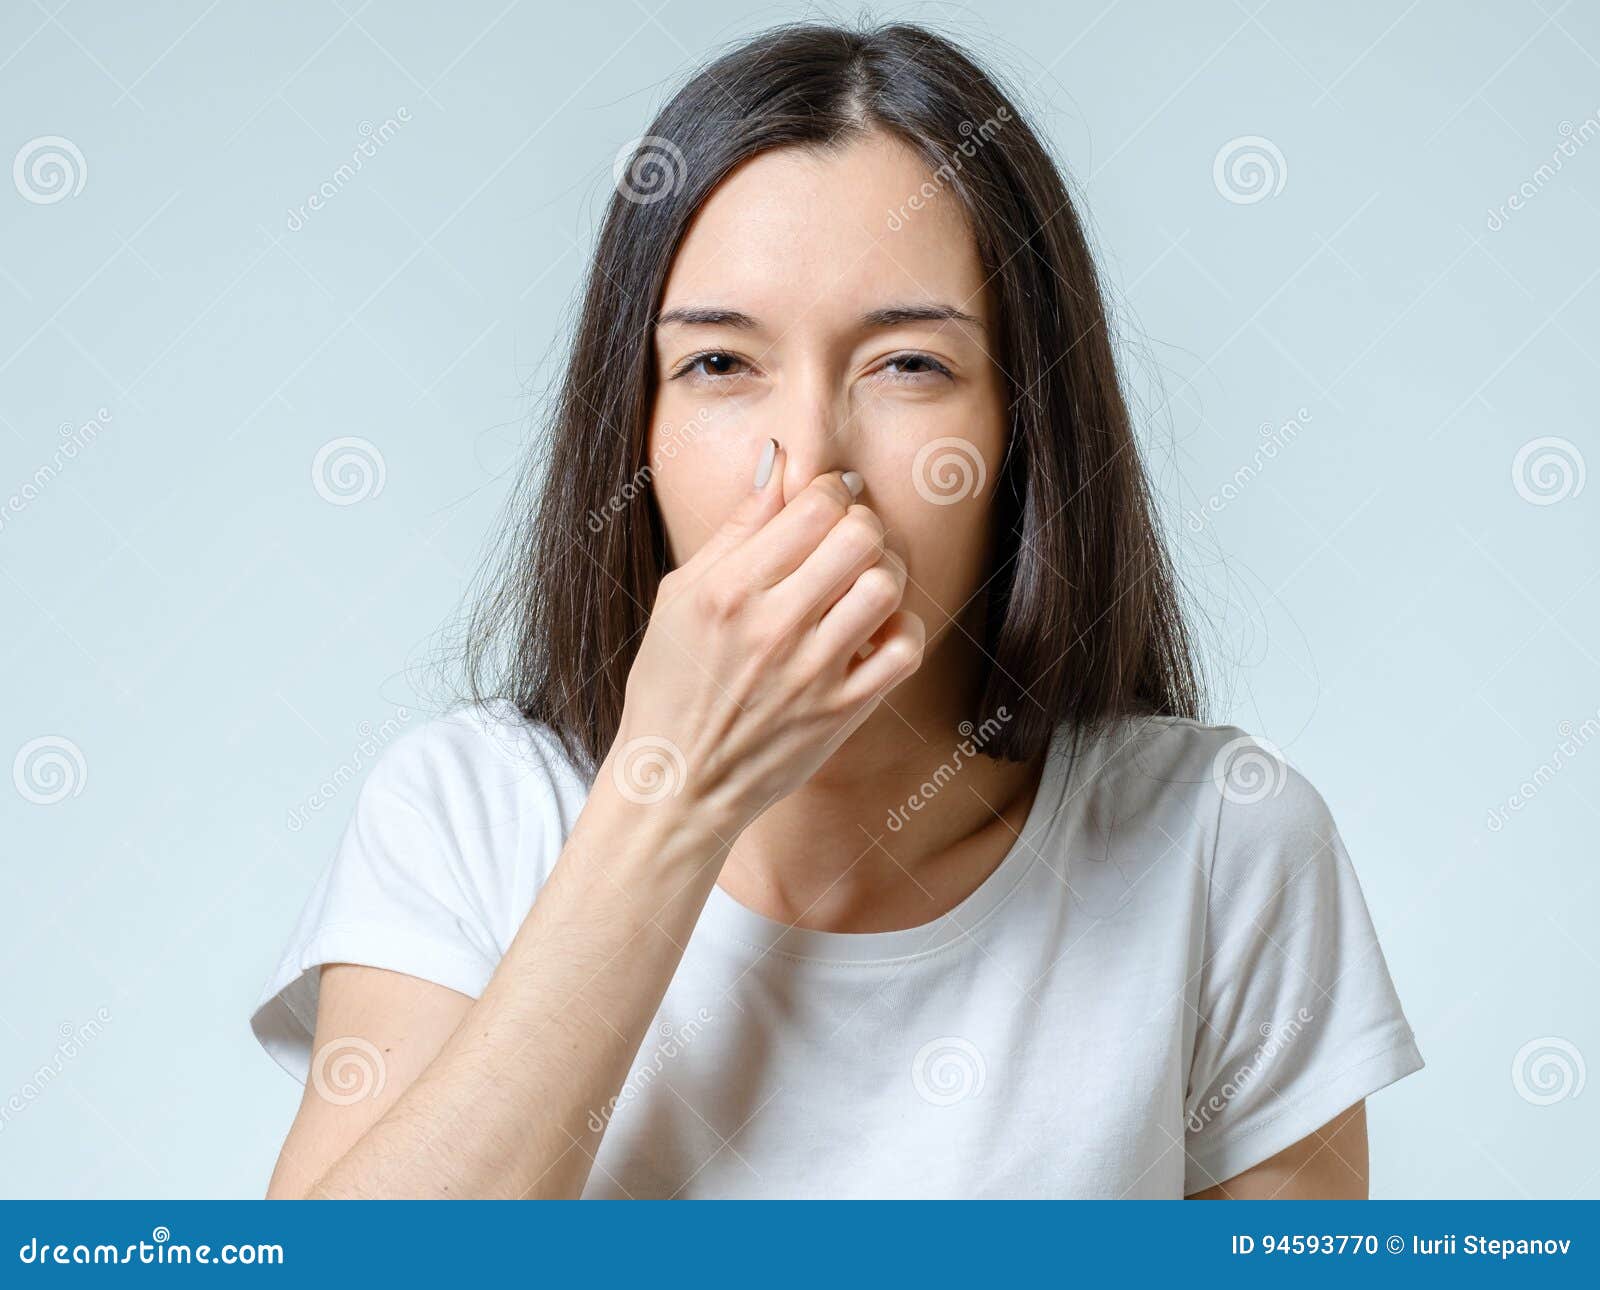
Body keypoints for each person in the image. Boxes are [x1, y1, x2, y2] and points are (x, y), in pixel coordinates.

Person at [251, 21, 1422, 1199]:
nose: (809, 461)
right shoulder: (468, 813)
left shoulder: (1223, 846)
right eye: (718, 365)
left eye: (909, 364)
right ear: (636, 431)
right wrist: (672, 799)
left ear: (1022, 433)